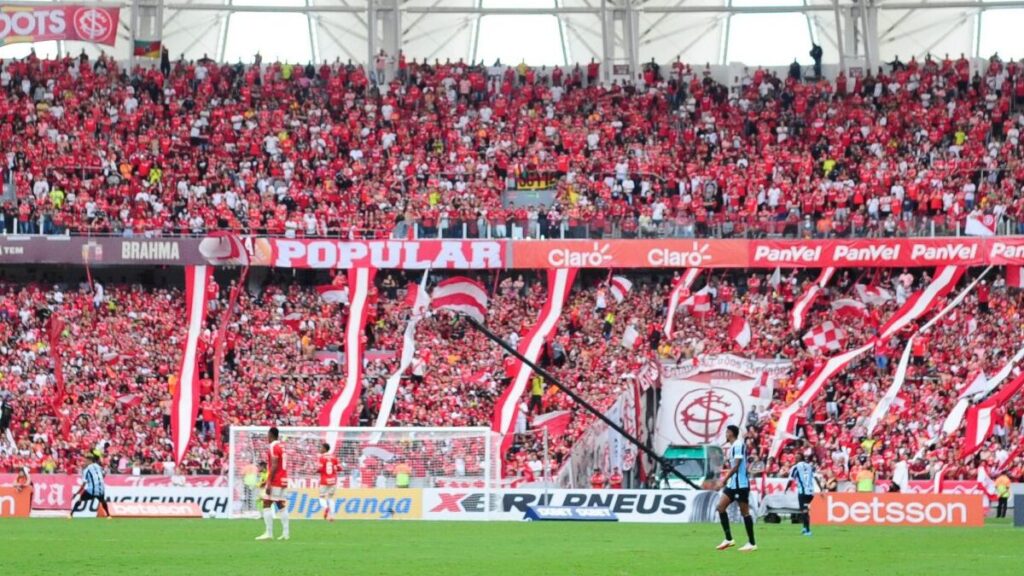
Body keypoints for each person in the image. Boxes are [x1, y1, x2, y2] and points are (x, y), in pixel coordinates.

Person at [716, 425, 756, 552]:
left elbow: (737, 465)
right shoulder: (732, 447)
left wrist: (725, 478)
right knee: (720, 507)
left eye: (727, 432)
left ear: (731, 433)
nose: (725, 434)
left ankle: (752, 543)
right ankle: (728, 539)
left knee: (745, 513)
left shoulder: (738, 445)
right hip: (733, 484)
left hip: (741, 485)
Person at [256, 427, 290, 541]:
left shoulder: (273, 446)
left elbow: (274, 465)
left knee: (266, 504)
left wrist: (269, 482)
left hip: (276, 480)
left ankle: (269, 533)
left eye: (267, 435)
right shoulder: (282, 446)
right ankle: (286, 533)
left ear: (270, 435)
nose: (267, 437)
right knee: (281, 505)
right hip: (284, 479)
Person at [70, 452, 110, 518]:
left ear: (89, 461)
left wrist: (77, 493)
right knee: (102, 500)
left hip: (91, 491)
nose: (85, 462)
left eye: (85, 461)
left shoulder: (86, 470)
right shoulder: (98, 466)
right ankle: (108, 515)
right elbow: (104, 474)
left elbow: (83, 485)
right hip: (101, 490)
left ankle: (71, 514)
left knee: (80, 500)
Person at [787, 453, 816, 536]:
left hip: (802, 492)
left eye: (796, 458)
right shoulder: (809, 466)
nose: (795, 459)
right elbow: (814, 477)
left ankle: (808, 531)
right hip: (811, 492)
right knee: (805, 509)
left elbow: (791, 480)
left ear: (799, 459)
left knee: (804, 511)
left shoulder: (795, 467)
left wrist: (786, 488)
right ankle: (804, 528)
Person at [317, 443, 339, 521]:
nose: (320, 449)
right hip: (333, 480)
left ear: (325, 449)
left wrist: (316, 471)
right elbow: (339, 468)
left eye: (321, 448)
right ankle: (332, 516)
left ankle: (326, 508)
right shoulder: (334, 457)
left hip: (324, 480)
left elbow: (320, 469)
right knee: (330, 498)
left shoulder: (322, 457)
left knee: (321, 497)